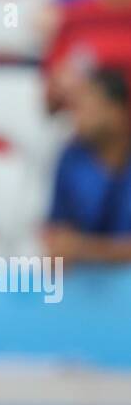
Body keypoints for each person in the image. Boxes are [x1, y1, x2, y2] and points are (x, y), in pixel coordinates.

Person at [44, 66, 131, 265]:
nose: (77, 115)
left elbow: (75, 246)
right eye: (76, 106)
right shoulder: (71, 159)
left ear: (117, 112)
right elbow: (59, 238)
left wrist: (84, 248)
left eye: (88, 106)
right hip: (85, 285)